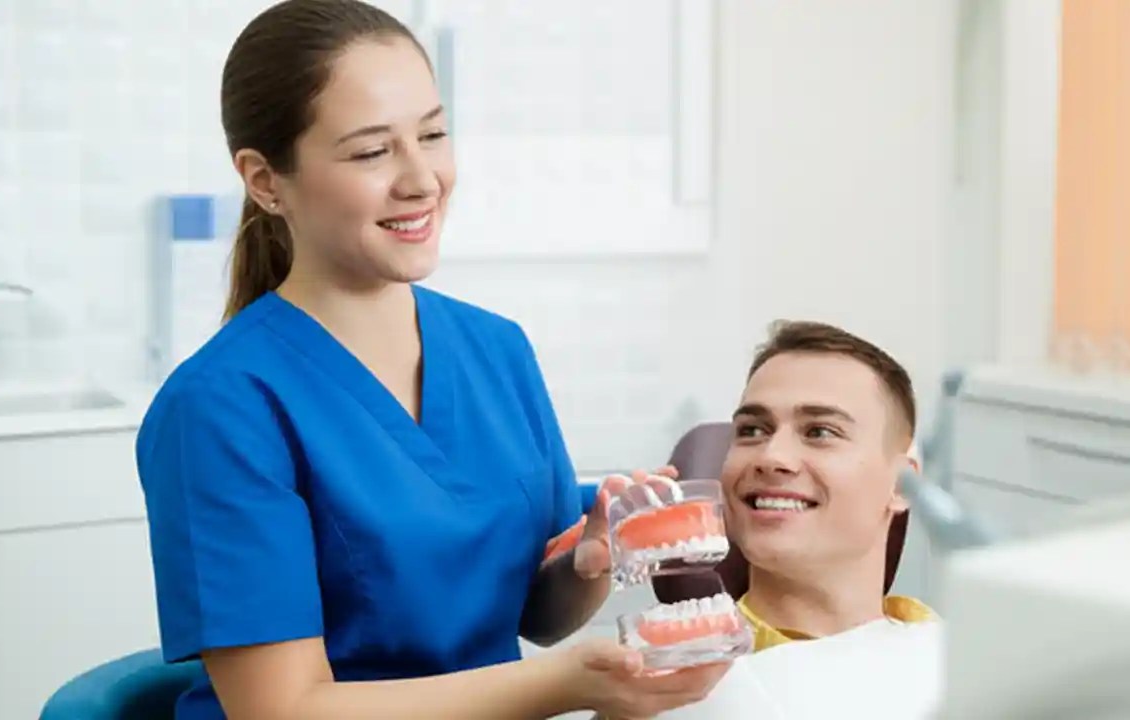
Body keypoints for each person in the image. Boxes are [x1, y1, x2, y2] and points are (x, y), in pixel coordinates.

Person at [134, 1, 728, 718]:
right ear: (265, 181)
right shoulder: (222, 406)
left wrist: (587, 560)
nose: (422, 179)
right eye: (371, 151)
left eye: (434, 134)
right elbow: (282, 710)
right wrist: (573, 684)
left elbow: (537, 618)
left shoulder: (496, 350)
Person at [654, 321, 943, 719]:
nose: (771, 456)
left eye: (819, 432)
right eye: (752, 430)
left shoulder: (960, 664)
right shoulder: (655, 690)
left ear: (901, 484)